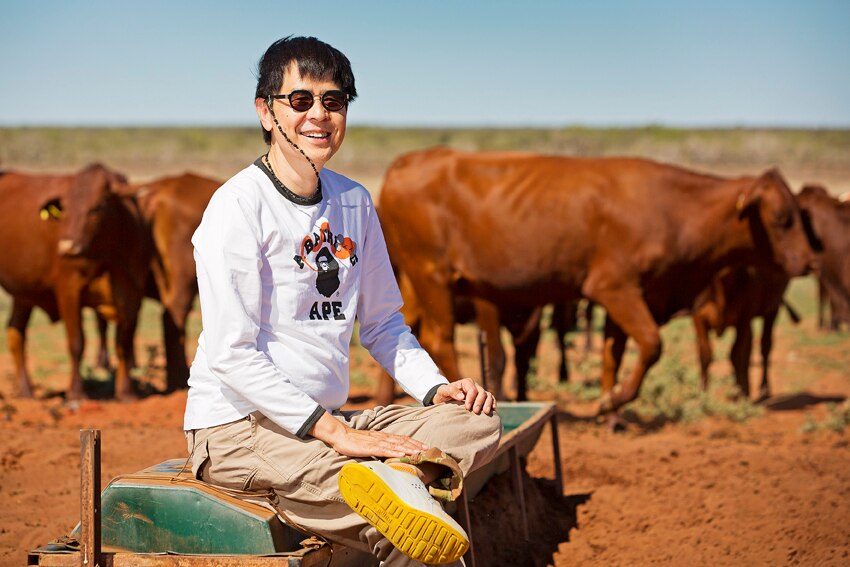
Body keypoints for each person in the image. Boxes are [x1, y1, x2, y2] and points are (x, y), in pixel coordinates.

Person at [183, 35, 501, 566]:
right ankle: (400, 492)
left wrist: (435, 389)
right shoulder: (236, 207)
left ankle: (400, 483)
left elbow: (382, 324)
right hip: (239, 427)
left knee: (478, 421)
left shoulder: (354, 200)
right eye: (300, 101)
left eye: (334, 102)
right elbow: (231, 355)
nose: (319, 116)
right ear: (266, 112)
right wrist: (338, 435)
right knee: (409, 527)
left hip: (331, 422)